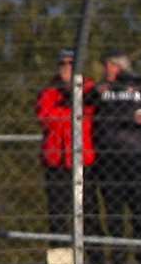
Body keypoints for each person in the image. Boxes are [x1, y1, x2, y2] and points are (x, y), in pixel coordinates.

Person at [90, 52, 141, 264]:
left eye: (111, 66)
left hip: (133, 154)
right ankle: (119, 255)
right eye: (106, 65)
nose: (107, 70)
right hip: (108, 155)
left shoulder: (140, 88)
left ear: (120, 67)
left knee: (138, 204)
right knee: (113, 205)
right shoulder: (101, 90)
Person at [34, 52, 96, 239]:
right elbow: (46, 118)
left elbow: (90, 116)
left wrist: (66, 112)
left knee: (89, 211)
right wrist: (71, 112)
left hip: (83, 158)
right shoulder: (49, 92)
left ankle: (95, 260)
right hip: (57, 160)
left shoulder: (90, 90)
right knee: (57, 214)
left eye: (71, 63)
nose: (66, 67)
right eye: (62, 63)